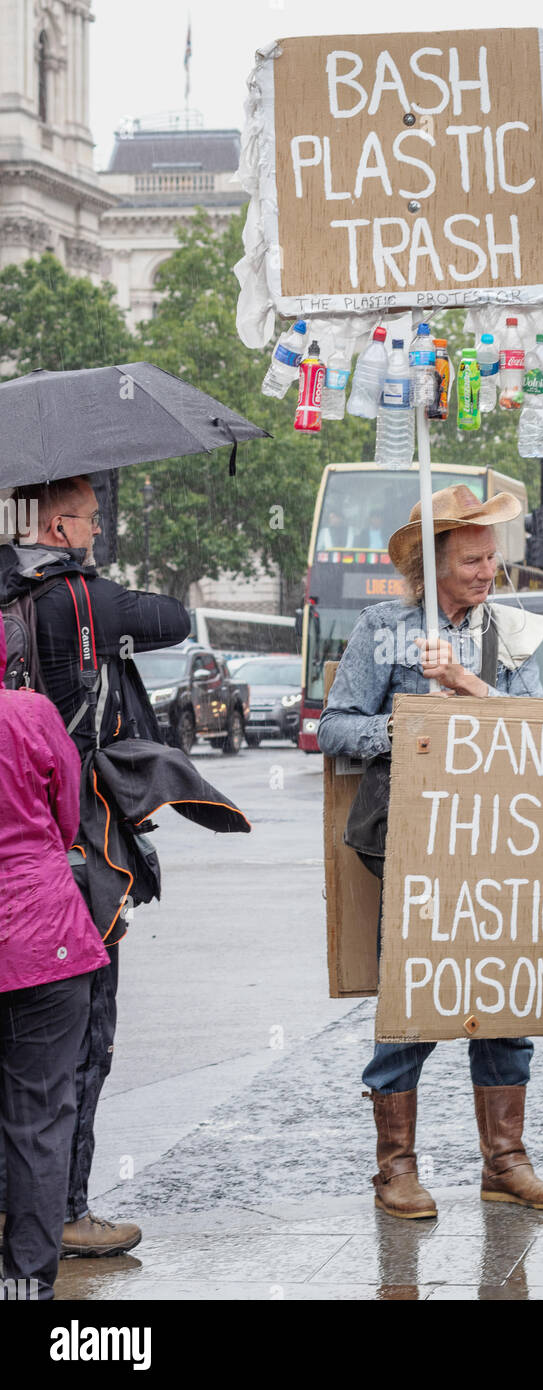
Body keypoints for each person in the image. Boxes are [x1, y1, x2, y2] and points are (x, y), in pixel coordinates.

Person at [319, 484, 543, 1219]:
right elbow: (335, 728)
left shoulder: (509, 633)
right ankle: (394, 1170)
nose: (487, 571)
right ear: (431, 569)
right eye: (471, 560)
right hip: (411, 841)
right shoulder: (381, 628)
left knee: (502, 995)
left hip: (500, 840)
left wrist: (465, 684)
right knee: (413, 995)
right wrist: (409, 728)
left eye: (492, 557)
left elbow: (542, 730)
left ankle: (505, 1162)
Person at [0, 475, 190, 1258]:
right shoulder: (83, 597)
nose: (99, 530)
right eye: (90, 519)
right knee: (77, 1046)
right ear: (58, 524)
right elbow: (171, 620)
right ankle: (64, 1212)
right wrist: (101, 584)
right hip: (75, 860)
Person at [0, 615, 109, 1298]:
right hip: (44, 938)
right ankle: (24, 1282)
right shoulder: (31, 712)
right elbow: (67, 813)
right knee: (39, 1117)